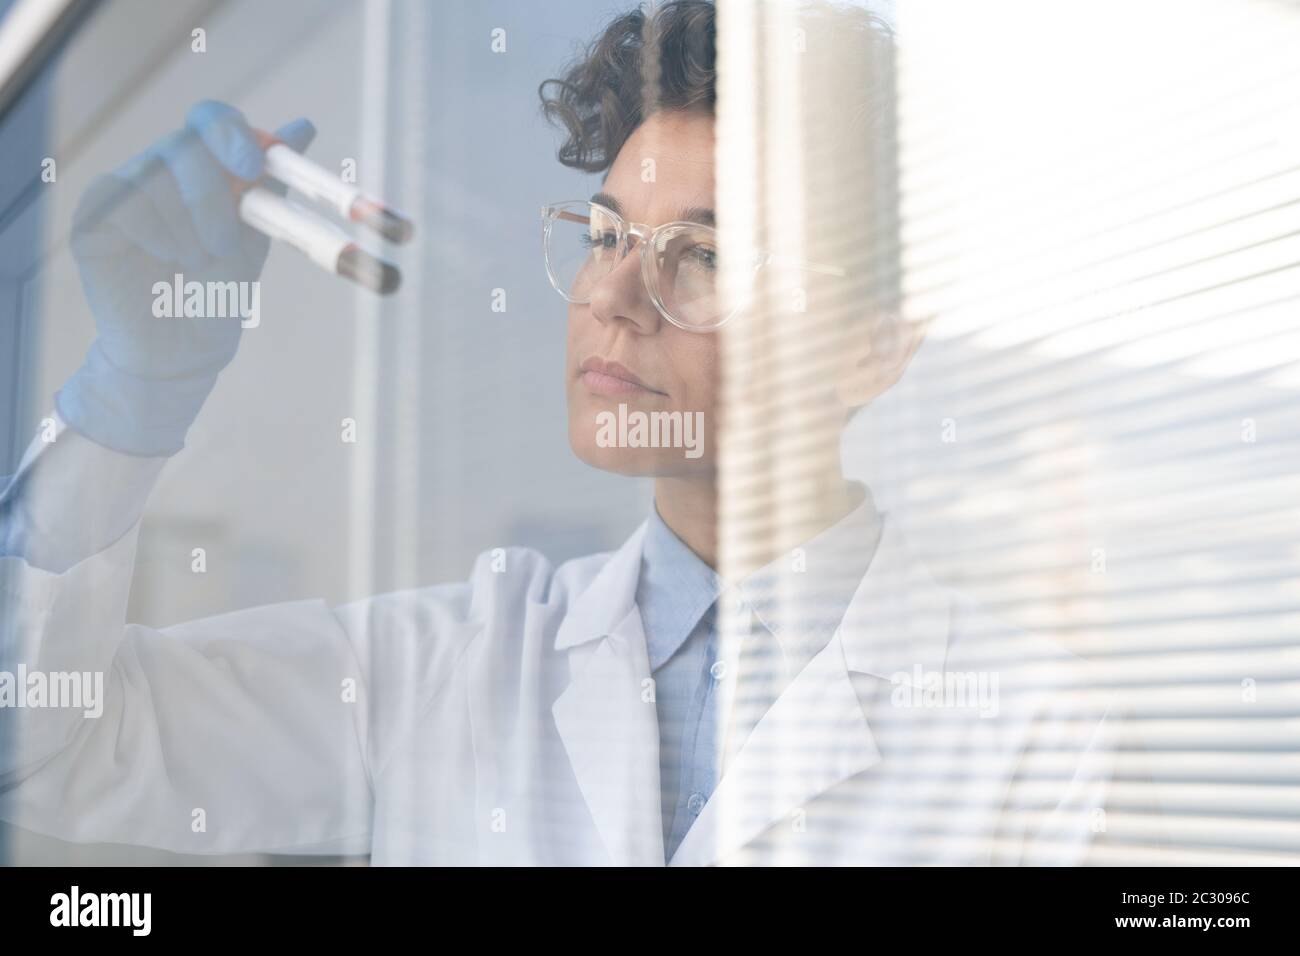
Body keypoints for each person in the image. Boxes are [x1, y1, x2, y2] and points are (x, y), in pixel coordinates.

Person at [0, 0, 1114, 865]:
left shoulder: (1034, 731)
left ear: (870, 347)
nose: (613, 297)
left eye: (707, 254)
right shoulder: (445, 667)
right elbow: (42, 747)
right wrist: (125, 401)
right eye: (604, 231)